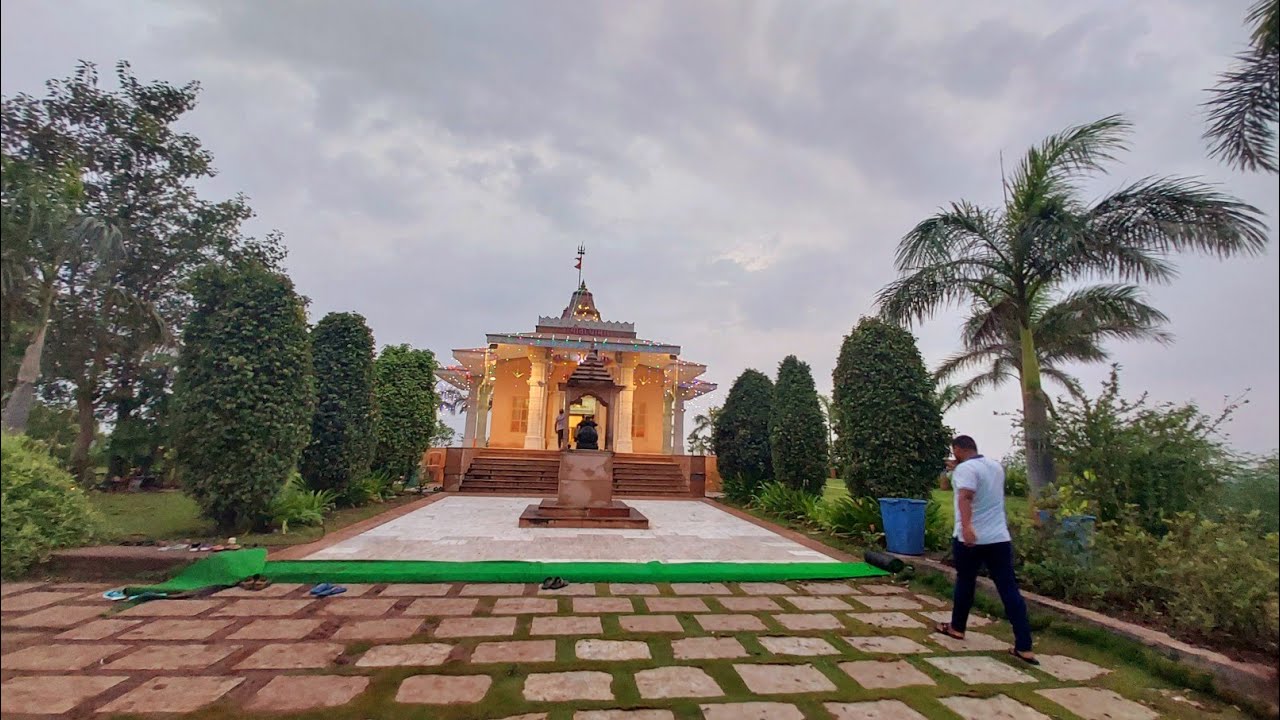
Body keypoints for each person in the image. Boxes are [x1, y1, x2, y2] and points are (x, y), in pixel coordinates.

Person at [934, 434, 1037, 665]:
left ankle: (957, 627)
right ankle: (1024, 646)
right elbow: (980, 483)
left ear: (957, 449)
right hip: (999, 538)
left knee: (965, 582)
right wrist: (958, 467)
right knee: (1008, 588)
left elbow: (965, 497)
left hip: (970, 538)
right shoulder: (995, 466)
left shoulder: (965, 470)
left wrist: (967, 527)